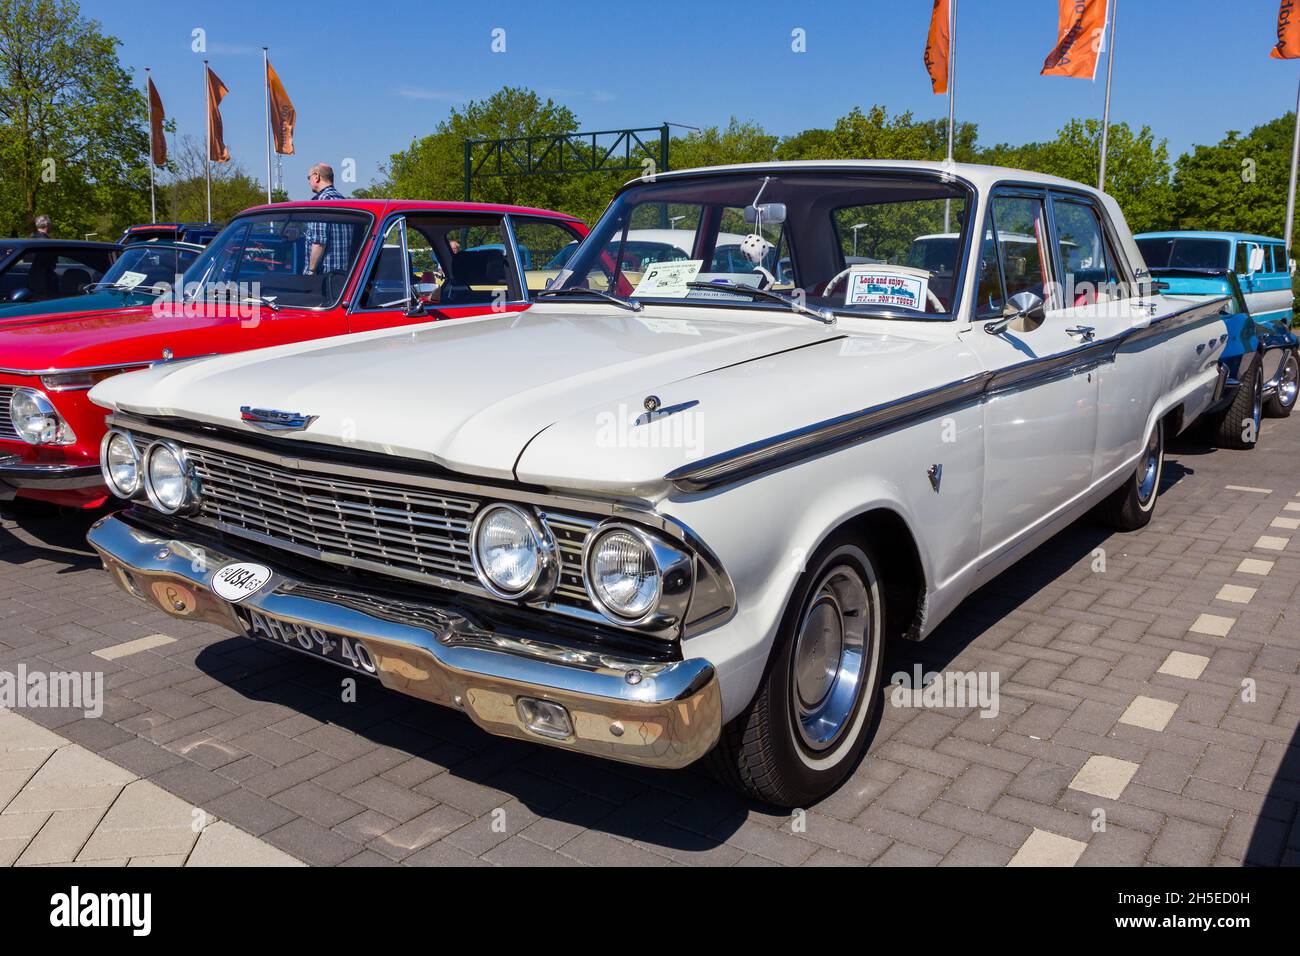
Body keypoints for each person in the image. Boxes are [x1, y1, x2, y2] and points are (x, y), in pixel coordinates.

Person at [303, 163, 351, 277]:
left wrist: (311, 271)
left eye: (308, 178)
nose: (309, 181)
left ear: (316, 176)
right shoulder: (342, 200)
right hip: (343, 275)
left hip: (323, 276)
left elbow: (319, 242)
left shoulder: (321, 202)